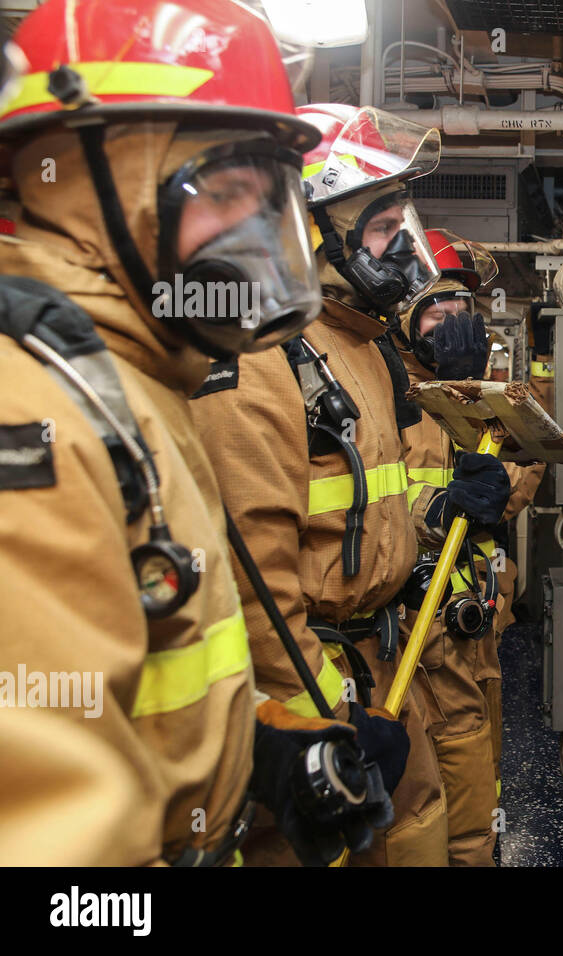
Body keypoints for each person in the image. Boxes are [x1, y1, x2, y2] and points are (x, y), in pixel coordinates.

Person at [0, 0, 398, 866]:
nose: (253, 245)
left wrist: (254, 752)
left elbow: (145, 678)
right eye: (224, 193)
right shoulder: (30, 416)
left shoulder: (134, 378)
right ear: (82, 180)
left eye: (266, 204)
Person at [192, 104, 507, 866]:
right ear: (304, 229)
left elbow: (373, 516)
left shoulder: (363, 350)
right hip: (317, 686)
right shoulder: (257, 360)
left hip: (385, 666)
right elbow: (251, 591)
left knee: (423, 829)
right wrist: (323, 723)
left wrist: (445, 511)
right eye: (381, 224)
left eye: (402, 220)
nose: (399, 244)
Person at [395, 229, 545, 864]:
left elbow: (518, 477)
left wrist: (469, 396)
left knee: (479, 761)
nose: (452, 326)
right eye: (436, 312)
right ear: (406, 321)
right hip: (406, 620)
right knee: (425, 779)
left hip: (474, 618)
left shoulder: (492, 390)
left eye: (462, 313)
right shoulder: (386, 391)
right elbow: (371, 501)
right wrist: (438, 507)